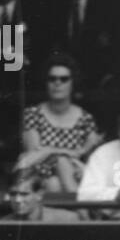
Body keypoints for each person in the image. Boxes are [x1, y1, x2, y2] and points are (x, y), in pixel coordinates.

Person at [13, 55, 102, 194]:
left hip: (73, 177)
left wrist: (53, 152)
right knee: (54, 182)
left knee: (56, 181)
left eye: (64, 79)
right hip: (37, 178)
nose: (57, 83)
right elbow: (35, 155)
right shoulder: (33, 114)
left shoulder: (85, 119)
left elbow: (89, 159)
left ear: (73, 83)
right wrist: (67, 153)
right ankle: (81, 210)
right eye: (52, 79)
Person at [0, 171, 84, 240]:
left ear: (39, 194)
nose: (17, 200)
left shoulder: (68, 219)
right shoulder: (1, 226)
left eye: (24, 194)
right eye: (13, 194)